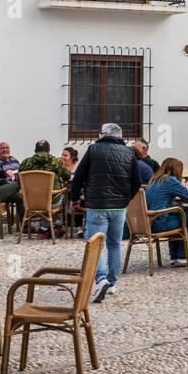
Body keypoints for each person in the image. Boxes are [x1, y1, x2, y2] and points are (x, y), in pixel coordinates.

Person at [70, 122, 142, 301]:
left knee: (96, 244)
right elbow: (137, 181)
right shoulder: (129, 152)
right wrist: (126, 198)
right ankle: (112, 282)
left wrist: (74, 198)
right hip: (119, 207)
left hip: (98, 205)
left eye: (100, 132)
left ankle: (101, 279)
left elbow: (78, 176)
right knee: (115, 244)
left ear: (104, 134)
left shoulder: (94, 149)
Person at [144, 158, 188, 265]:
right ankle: (186, 255)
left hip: (148, 223)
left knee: (180, 213)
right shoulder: (169, 180)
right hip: (159, 225)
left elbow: (161, 201)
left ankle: (175, 255)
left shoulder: (153, 180)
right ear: (176, 170)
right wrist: (187, 189)